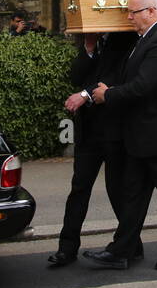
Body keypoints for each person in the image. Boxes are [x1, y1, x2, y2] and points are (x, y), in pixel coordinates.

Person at [86, 0, 157, 271]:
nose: (129, 17)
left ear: (151, 11)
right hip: (144, 134)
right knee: (133, 195)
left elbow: (142, 86)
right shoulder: (146, 39)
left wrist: (108, 95)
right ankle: (121, 251)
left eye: (133, 12)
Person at [47, 31, 140, 268]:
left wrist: (85, 95)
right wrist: (88, 48)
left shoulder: (125, 39)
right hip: (88, 132)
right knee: (79, 188)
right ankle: (66, 249)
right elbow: (76, 76)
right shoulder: (91, 41)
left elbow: (115, 76)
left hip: (114, 130)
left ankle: (130, 244)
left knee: (116, 189)